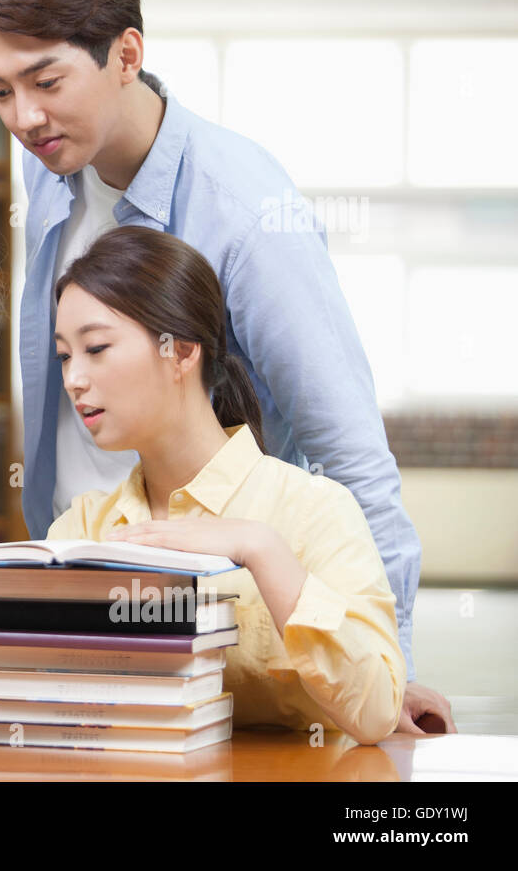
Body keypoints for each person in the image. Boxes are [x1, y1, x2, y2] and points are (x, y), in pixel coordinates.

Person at [0, 0, 453, 733]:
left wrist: (384, 667)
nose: (25, 118)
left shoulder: (249, 212)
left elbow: (350, 453)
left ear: (127, 55)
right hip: (90, 570)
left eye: (46, 81)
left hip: (220, 606)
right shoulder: (50, 166)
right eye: (0, 92)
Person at [47, 226, 405, 744]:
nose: (73, 379)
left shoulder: (314, 511)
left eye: (96, 348)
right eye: (64, 356)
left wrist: (259, 548)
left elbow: (375, 711)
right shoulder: (82, 528)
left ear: (182, 351)